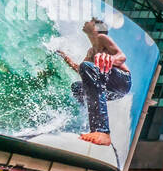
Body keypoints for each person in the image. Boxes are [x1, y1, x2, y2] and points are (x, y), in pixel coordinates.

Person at [55, 18, 132, 148]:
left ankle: (102, 131)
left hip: (122, 81)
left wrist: (110, 59)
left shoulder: (102, 38)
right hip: (112, 90)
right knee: (77, 87)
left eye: (90, 21)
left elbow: (121, 56)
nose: (86, 22)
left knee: (88, 66)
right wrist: (66, 59)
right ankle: (82, 119)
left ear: (96, 27)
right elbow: (81, 70)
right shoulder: (91, 51)